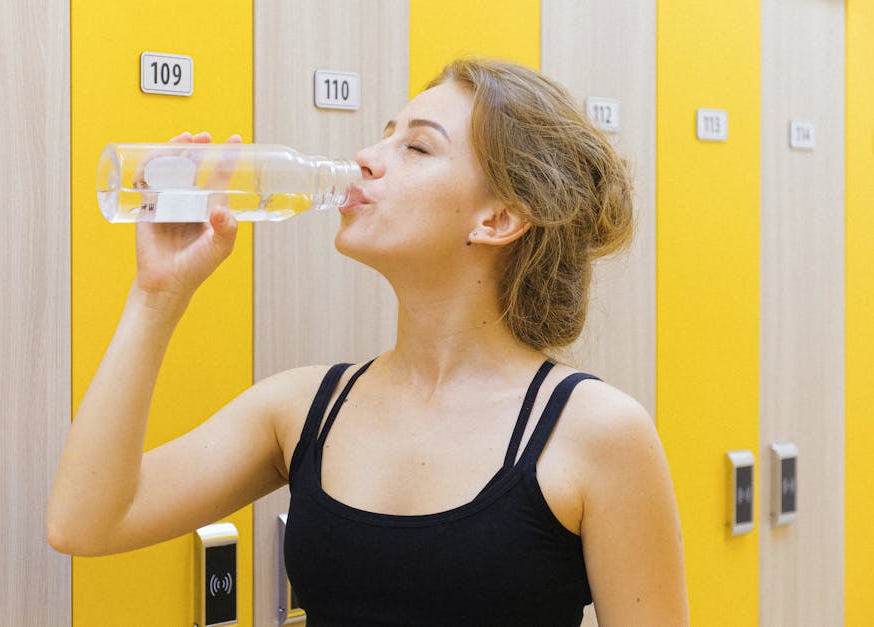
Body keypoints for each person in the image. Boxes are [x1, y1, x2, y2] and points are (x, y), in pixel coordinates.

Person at [48, 58, 689, 626]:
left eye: (416, 148)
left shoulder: (597, 433)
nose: (366, 158)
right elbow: (86, 522)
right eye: (385, 134)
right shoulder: (303, 410)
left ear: (497, 219)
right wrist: (158, 295)